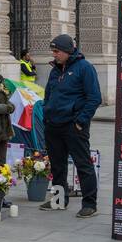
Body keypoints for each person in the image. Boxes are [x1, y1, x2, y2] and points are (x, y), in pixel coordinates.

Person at [40, 34, 102, 218]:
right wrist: (46, 114)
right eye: (53, 51)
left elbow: (94, 98)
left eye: (57, 51)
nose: (54, 54)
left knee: (83, 165)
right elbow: (48, 95)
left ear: (68, 51)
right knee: (58, 166)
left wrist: (81, 121)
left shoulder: (85, 68)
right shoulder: (55, 70)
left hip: (73, 126)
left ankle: (90, 204)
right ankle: (59, 200)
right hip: (53, 125)